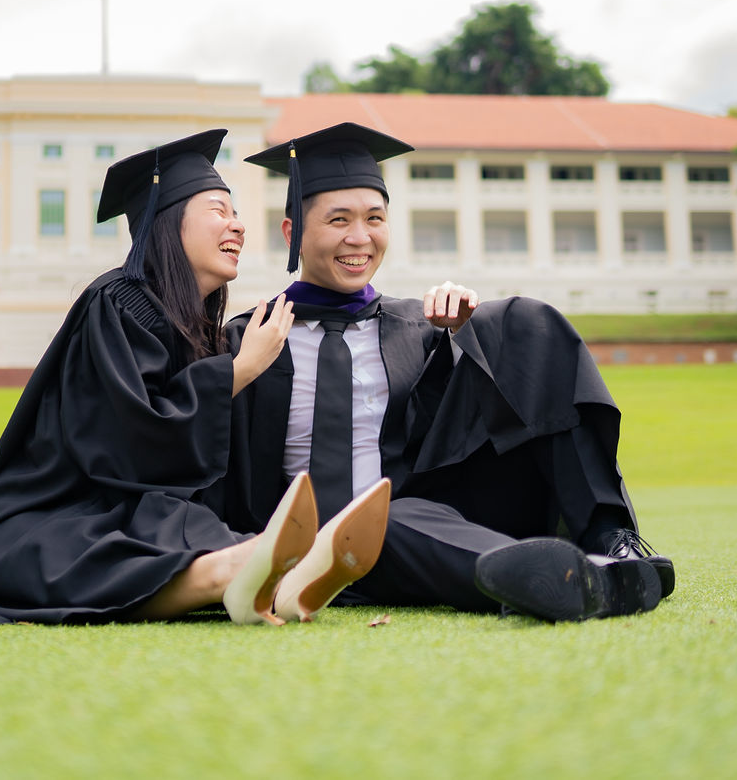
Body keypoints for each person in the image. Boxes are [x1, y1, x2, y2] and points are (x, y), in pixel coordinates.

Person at [0, 130, 391, 625]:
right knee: (118, 548)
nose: (238, 227)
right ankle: (248, 573)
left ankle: (250, 572)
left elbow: (184, 471)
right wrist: (238, 371)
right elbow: (129, 444)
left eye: (236, 213)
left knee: (190, 529)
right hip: (57, 519)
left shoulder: (195, 326)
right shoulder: (116, 303)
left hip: (135, 514)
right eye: (219, 211)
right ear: (167, 223)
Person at [213, 123, 673, 624]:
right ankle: (560, 579)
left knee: (520, 322)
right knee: (369, 526)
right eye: (338, 220)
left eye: (375, 219)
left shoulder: (419, 327)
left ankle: (607, 549)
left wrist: (468, 337)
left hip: (412, 524)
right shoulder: (248, 340)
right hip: (301, 552)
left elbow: (459, 440)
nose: (359, 237)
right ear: (293, 233)